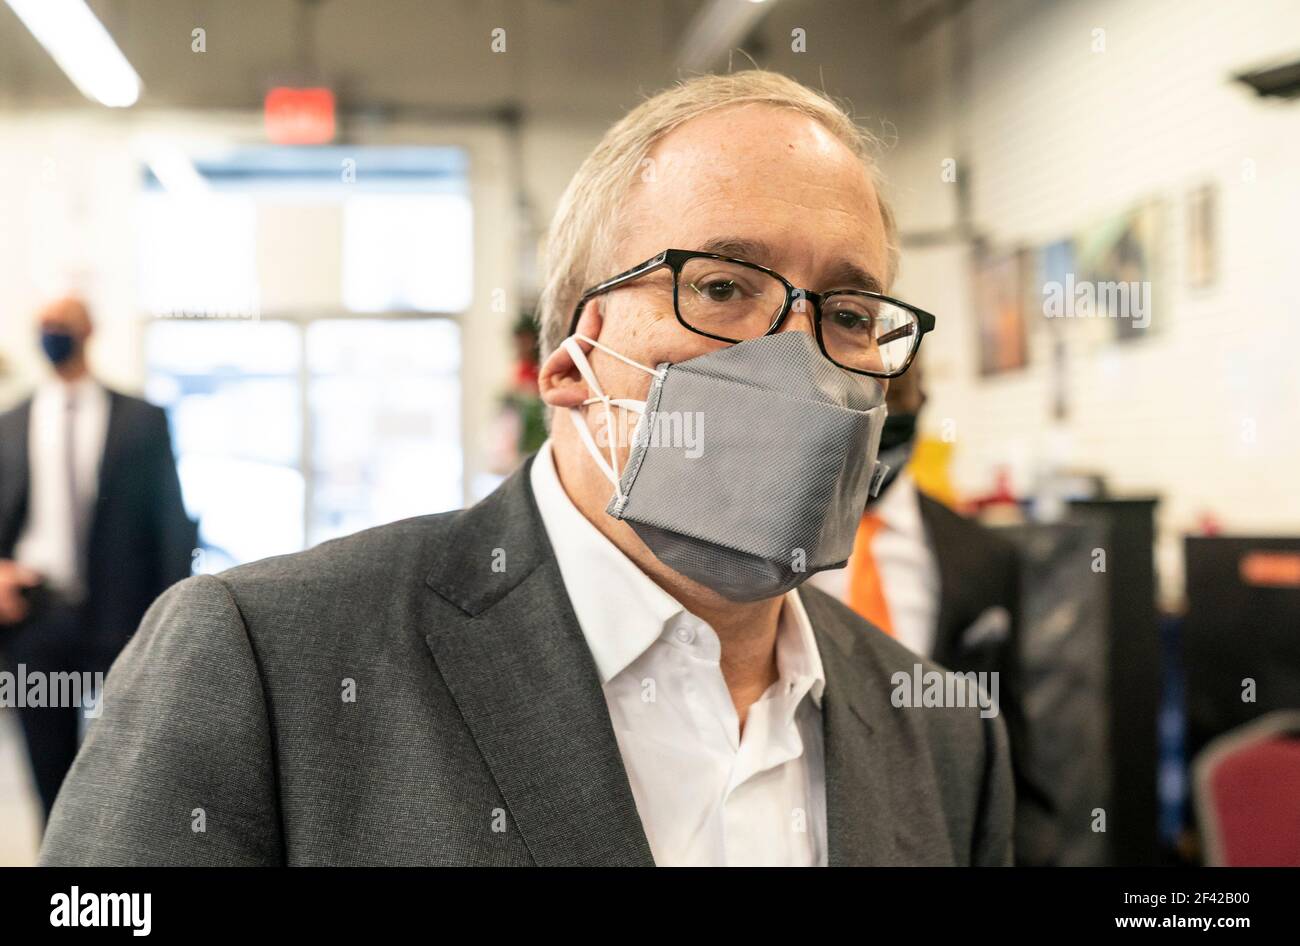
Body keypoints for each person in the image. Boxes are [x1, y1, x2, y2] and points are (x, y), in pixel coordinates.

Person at [42, 71, 1013, 866]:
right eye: (720, 286)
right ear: (568, 360)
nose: (798, 353)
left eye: (848, 312)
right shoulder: (268, 665)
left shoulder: (944, 739)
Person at [811, 362, 1058, 863]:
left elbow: (1009, 722)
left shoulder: (984, 556)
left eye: (897, 394)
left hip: (940, 829)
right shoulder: (775, 550)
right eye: (856, 391)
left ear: (923, 398)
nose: (878, 411)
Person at [0, 296, 196, 821]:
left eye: (62, 325)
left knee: (132, 773)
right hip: (36, 621)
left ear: (89, 331)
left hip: (122, 621)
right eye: (44, 326)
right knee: (50, 780)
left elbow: (170, 523)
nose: (53, 335)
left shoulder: (141, 420)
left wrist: (175, 618)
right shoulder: (11, 422)